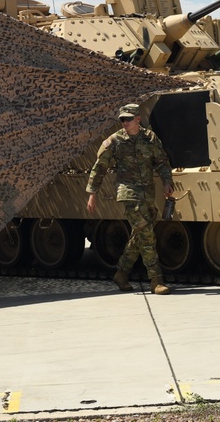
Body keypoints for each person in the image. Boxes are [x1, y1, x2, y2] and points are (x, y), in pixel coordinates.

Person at [86, 103, 174, 295]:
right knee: (147, 233)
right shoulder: (115, 141)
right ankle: (156, 280)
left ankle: (121, 273)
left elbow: (161, 162)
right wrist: (93, 194)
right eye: (122, 119)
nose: (124, 122)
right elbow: (99, 167)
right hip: (128, 192)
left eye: (128, 119)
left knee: (140, 233)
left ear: (137, 119)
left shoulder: (150, 138)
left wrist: (167, 182)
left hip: (147, 193)